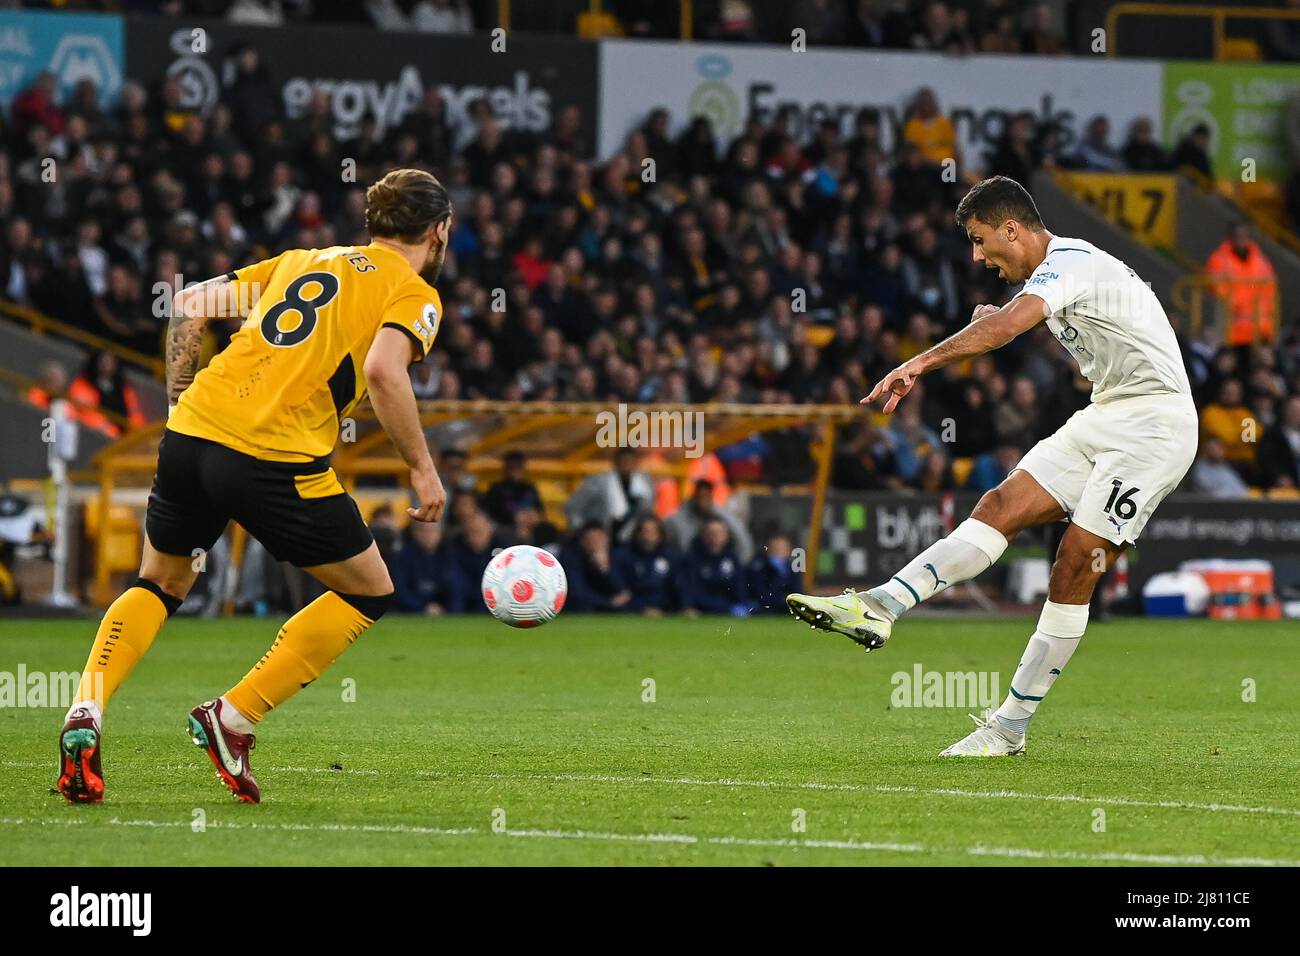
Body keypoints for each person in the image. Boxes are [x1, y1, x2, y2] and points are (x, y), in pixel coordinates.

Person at [56, 168, 452, 804]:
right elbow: (384, 370)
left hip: (192, 433)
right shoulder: (413, 292)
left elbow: (188, 304)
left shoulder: (303, 259)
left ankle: (86, 711)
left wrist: (180, 398)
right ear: (439, 231)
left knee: (157, 583)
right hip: (273, 458)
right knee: (369, 590)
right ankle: (234, 716)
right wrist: (421, 466)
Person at [788, 176, 1197, 757]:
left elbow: (1004, 330)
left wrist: (920, 364)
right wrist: (997, 318)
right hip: (1107, 413)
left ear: (1012, 228)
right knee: (998, 506)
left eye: (982, 241)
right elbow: (1021, 324)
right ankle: (878, 606)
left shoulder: (1071, 260)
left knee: (1077, 560)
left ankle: (1008, 727)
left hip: (1156, 426)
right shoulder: (1053, 280)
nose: (978, 256)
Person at [1205, 222, 1277, 346]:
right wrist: (1238, 305)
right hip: (1232, 329)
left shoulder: (1261, 261)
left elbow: (1271, 288)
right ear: (1230, 237)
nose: (1242, 240)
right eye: (1238, 236)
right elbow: (1216, 287)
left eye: (1245, 236)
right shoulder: (1219, 259)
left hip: (1260, 328)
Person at [663, 479, 753, 562]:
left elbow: (742, 540)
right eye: (700, 496)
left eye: (706, 496)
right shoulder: (676, 520)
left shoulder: (721, 517)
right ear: (694, 496)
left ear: (711, 497)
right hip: (687, 567)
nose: (702, 501)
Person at [391, 519, 465, 614]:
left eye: (433, 530)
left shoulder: (450, 556)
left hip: (445, 614)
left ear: (440, 533)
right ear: (414, 533)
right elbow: (400, 591)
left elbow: (458, 589)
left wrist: (450, 610)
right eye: (423, 530)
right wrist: (423, 607)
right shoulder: (402, 558)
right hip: (410, 614)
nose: (428, 535)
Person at [680, 517, 749, 617]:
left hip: (730, 610)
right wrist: (688, 606)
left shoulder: (733, 560)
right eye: (710, 533)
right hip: (700, 610)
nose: (715, 537)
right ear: (703, 535)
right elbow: (689, 589)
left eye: (719, 533)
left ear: (727, 536)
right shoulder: (691, 560)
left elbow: (740, 588)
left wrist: (740, 605)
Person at [611, 516, 679, 614]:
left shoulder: (670, 557)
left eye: (653, 531)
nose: (648, 535)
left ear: (660, 535)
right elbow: (621, 589)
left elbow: (677, 586)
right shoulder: (623, 556)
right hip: (632, 610)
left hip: (664, 610)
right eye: (645, 531)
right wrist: (640, 608)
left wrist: (685, 606)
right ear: (637, 534)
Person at [561, 522, 631, 612]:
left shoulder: (619, 556)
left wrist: (605, 569)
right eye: (590, 540)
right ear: (582, 542)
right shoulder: (571, 558)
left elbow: (623, 592)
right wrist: (609, 602)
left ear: (607, 539)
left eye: (599, 539)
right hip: (582, 611)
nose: (595, 544)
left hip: (613, 612)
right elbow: (577, 592)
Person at [483, 451, 543, 526]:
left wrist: (533, 516)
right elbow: (488, 513)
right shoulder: (496, 489)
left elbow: (540, 511)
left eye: (519, 466)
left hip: (528, 529)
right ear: (505, 468)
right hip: (506, 530)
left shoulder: (530, 488)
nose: (516, 469)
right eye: (512, 466)